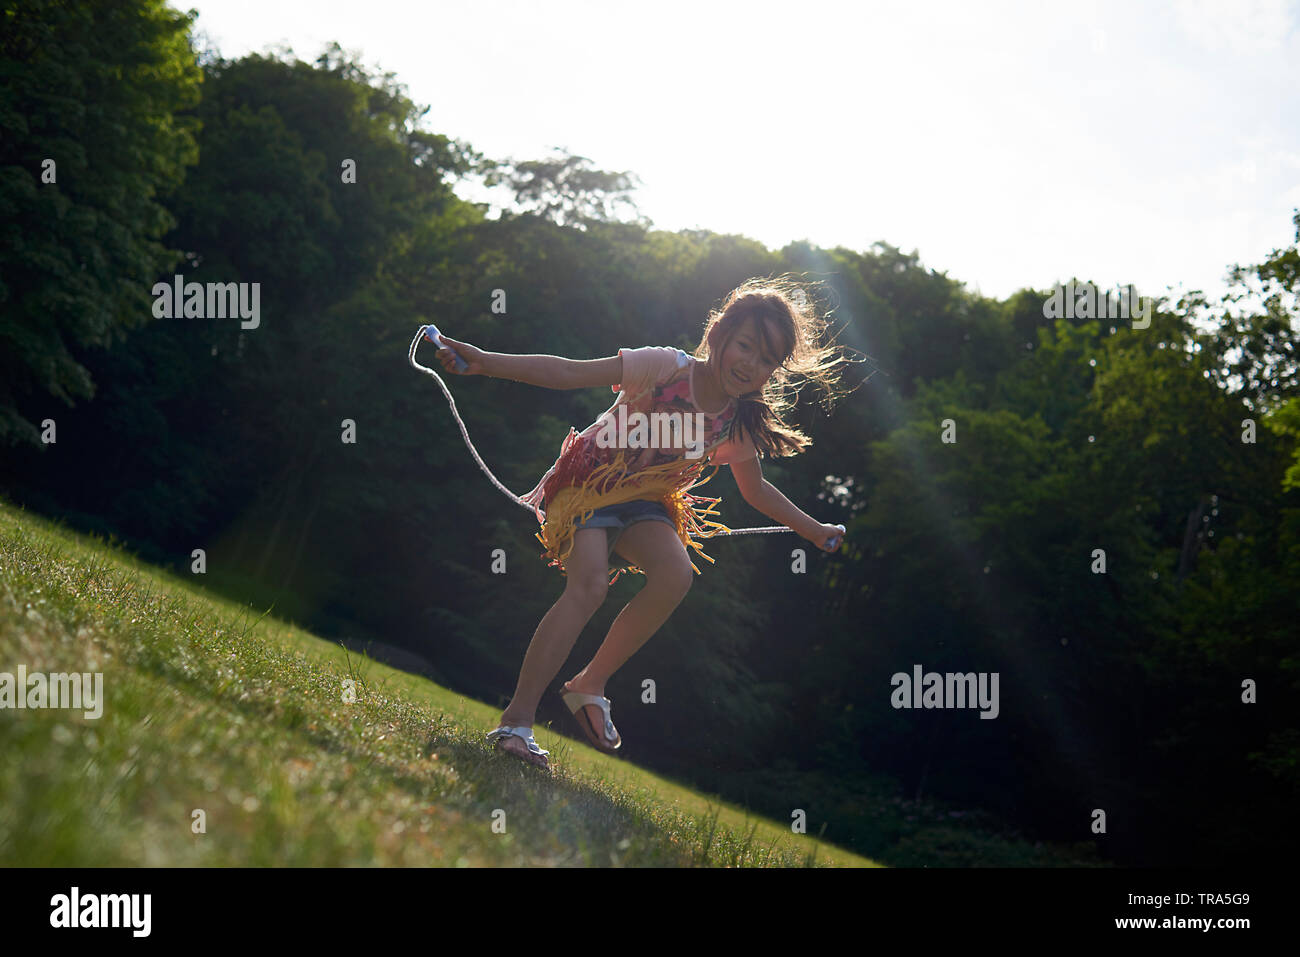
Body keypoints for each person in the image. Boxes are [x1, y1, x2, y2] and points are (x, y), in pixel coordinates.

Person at [432, 277, 860, 770]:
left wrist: (811, 529)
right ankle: (517, 721)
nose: (751, 365)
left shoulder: (737, 420)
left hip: (647, 500)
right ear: (719, 334)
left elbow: (755, 489)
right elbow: (569, 372)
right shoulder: (664, 367)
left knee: (676, 574)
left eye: (767, 361)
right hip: (588, 483)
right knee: (589, 586)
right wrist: (485, 360)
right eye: (746, 346)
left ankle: (590, 684)